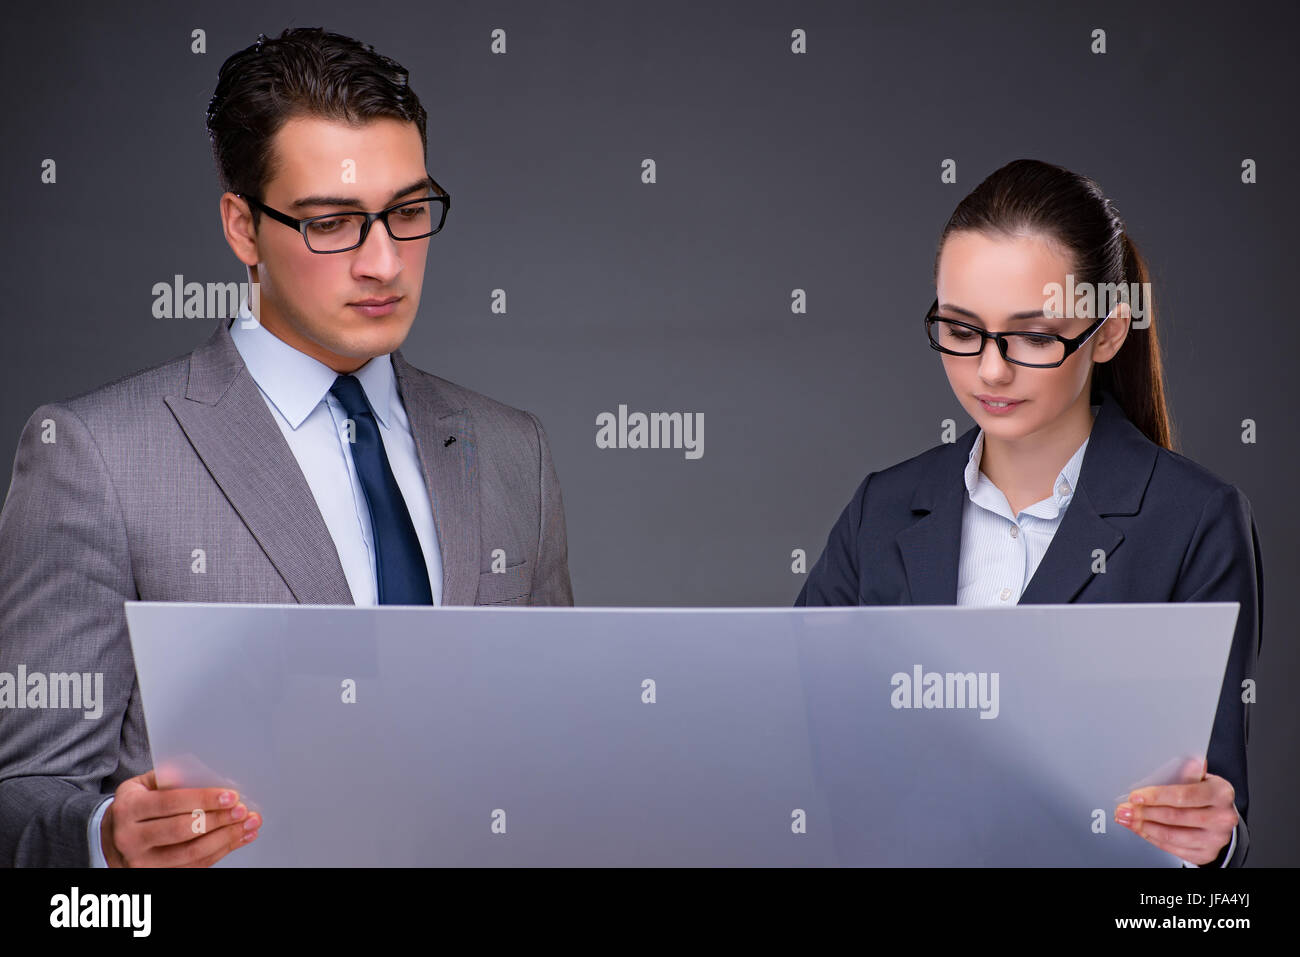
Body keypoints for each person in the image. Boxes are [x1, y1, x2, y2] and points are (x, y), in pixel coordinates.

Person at [0, 27, 574, 868]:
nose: (384, 262)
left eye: (409, 213)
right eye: (333, 223)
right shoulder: (97, 458)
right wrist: (102, 840)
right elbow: (22, 791)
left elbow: (555, 750)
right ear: (242, 227)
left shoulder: (512, 448)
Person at [795, 158, 1262, 867]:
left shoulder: (1193, 521)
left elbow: (1210, 807)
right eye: (960, 329)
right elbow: (794, 737)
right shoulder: (882, 512)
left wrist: (1210, 840)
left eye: (1034, 336)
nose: (989, 370)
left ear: (1107, 334)